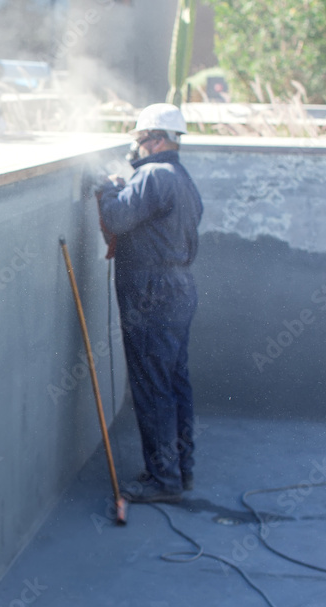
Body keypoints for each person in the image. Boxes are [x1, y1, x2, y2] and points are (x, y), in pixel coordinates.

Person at [96, 103, 203, 504]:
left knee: (152, 384)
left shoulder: (154, 174)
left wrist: (109, 186)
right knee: (175, 381)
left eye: (139, 141)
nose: (135, 149)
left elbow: (117, 217)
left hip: (151, 292)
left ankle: (163, 480)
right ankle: (181, 470)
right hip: (177, 287)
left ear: (155, 139)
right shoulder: (181, 177)